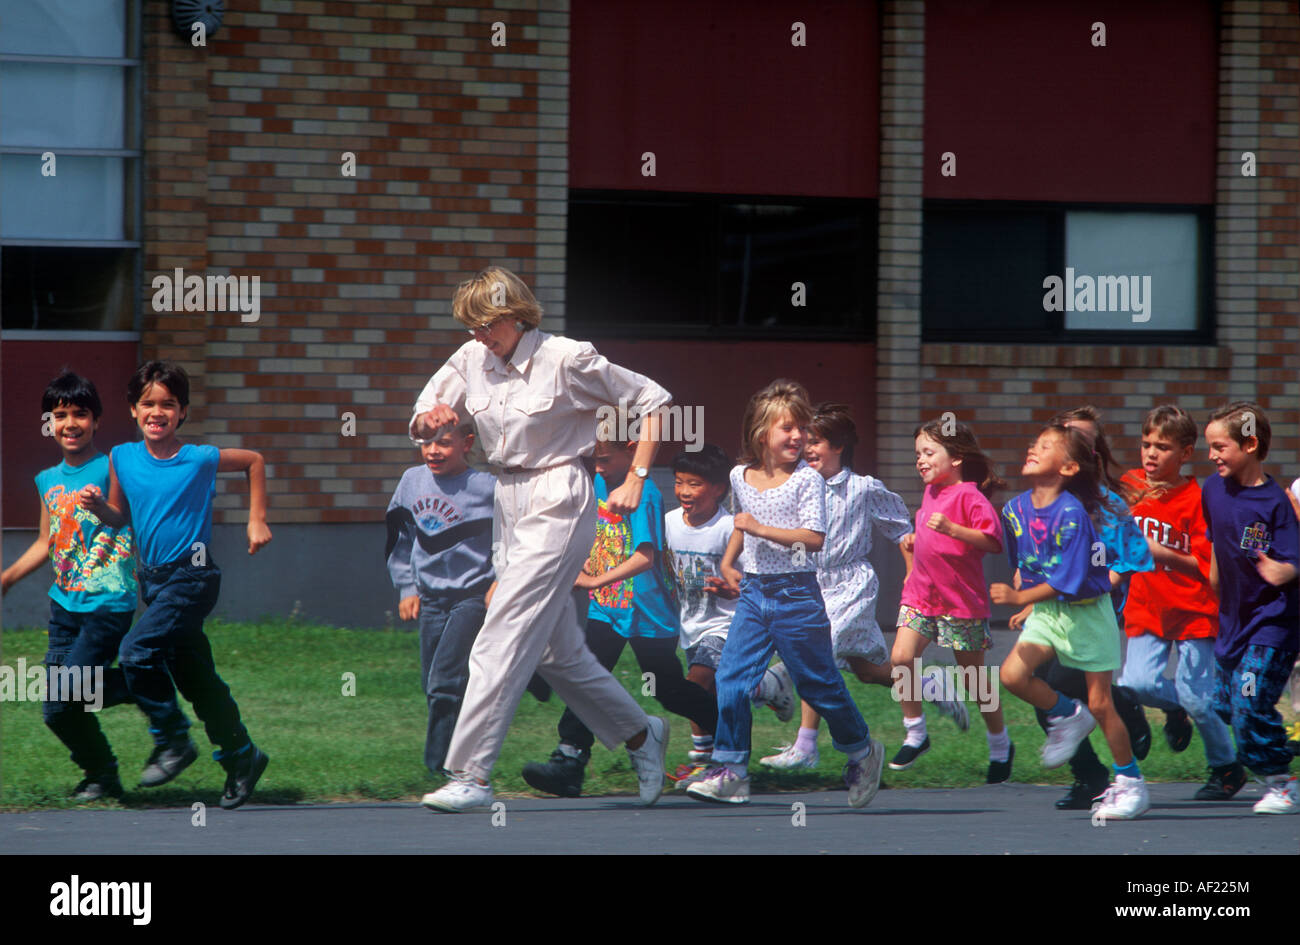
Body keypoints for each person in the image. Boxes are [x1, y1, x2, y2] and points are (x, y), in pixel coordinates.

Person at [411, 267, 671, 813]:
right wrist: (428, 417)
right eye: (472, 329)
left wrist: (636, 476)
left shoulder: (566, 358)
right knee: (555, 651)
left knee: (501, 631)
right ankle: (641, 734)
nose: (478, 338)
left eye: (485, 326)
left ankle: (471, 773)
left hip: (559, 496)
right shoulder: (471, 357)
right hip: (506, 499)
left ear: (513, 315)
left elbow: (653, 401)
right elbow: (427, 409)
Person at [79, 360, 272, 809]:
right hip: (157, 582)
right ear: (132, 409)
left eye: (168, 404)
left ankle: (173, 740)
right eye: (148, 403)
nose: (157, 411)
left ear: (182, 412)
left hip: (194, 575)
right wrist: (95, 508)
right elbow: (120, 515)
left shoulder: (198, 459)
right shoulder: (121, 458)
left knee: (136, 651)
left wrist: (256, 519)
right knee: (196, 677)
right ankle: (242, 756)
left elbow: (254, 462)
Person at [687, 379, 884, 807]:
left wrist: (758, 529)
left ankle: (862, 752)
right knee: (732, 680)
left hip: (797, 596)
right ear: (763, 435)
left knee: (819, 686)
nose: (798, 437)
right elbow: (744, 521)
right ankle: (731, 770)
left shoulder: (807, 481)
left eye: (803, 429)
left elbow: (812, 539)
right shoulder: (740, 475)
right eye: (788, 429)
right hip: (755, 593)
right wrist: (728, 561)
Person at [518, 423, 719, 797]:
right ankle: (570, 759)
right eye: (594, 460)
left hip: (648, 613)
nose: (598, 467)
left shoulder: (643, 495)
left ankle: (728, 733)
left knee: (668, 690)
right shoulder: (598, 482)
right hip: (607, 609)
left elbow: (646, 557)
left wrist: (595, 581)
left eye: (605, 460)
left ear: (631, 449)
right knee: (587, 678)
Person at [994, 423, 1148, 820]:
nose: (1033, 448)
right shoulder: (1015, 508)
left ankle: (1130, 784)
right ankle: (1067, 714)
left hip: (1088, 614)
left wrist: (1020, 597)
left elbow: (1072, 578)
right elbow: (1026, 561)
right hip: (1049, 613)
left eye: (1045, 446)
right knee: (1012, 676)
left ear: (1067, 468)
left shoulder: (1073, 513)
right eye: (1034, 442)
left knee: (1101, 704)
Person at [1, 372, 140, 801]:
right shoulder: (47, 480)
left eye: (80, 414)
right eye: (60, 415)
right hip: (64, 608)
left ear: (96, 420)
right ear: (50, 422)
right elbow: (45, 541)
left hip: (107, 602)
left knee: (70, 690)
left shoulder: (114, 466)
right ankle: (102, 776)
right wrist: (5, 579)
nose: (70, 423)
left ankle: (149, 679)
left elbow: (128, 518)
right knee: (57, 709)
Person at [760, 402, 914, 771]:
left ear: (839, 446)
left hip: (850, 581)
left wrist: (912, 576)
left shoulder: (864, 488)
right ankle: (934, 689)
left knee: (815, 652)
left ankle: (804, 743)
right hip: (809, 583)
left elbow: (903, 530)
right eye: (803, 440)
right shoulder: (795, 485)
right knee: (867, 671)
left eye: (815, 441)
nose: (806, 447)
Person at [1116, 405, 1243, 799]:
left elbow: (1206, 568)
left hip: (1193, 610)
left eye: (1163, 447)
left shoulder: (1196, 499)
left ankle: (1226, 767)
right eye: (1146, 444)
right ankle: (1174, 709)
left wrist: (1163, 554)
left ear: (1186, 453)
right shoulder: (1129, 486)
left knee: (1199, 700)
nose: (1151, 454)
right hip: (1147, 607)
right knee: (1133, 684)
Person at [892, 417, 1011, 781]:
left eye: (929, 452)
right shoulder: (931, 491)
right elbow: (931, 542)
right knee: (900, 657)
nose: (921, 461)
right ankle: (916, 731)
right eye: (917, 455)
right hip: (921, 596)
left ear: (956, 457)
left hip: (960, 602)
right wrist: (913, 546)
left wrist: (953, 529)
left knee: (974, 679)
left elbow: (993, 542)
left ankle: (1001, 745)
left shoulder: (969, 496)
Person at [1202, 402, 1298, 813]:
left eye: (1220, 446)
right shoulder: (1212, 489)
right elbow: (1215, 540)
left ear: (1250, 444)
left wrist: (1283, 569)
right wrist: (1214, 579)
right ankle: (1281, 745)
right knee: (1223, 705)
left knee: (1249, 703)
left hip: (1274, 622)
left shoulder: (1275, 502)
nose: (1211, 456)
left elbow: (1291, 561)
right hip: (1234, 620)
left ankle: (1282, 781)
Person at [386, 420, 495, 776]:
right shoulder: (411, 481)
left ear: (466, 443)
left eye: (444, 443)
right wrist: (407, 586)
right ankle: (463, 753)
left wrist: (499, 580)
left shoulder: (487, 487)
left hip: (472, 595)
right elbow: (399, 538)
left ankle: (442, 767)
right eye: (426, 443)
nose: (433, 451)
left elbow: (508, 538)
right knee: (432, 682)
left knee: (444, 682)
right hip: (430, 596)